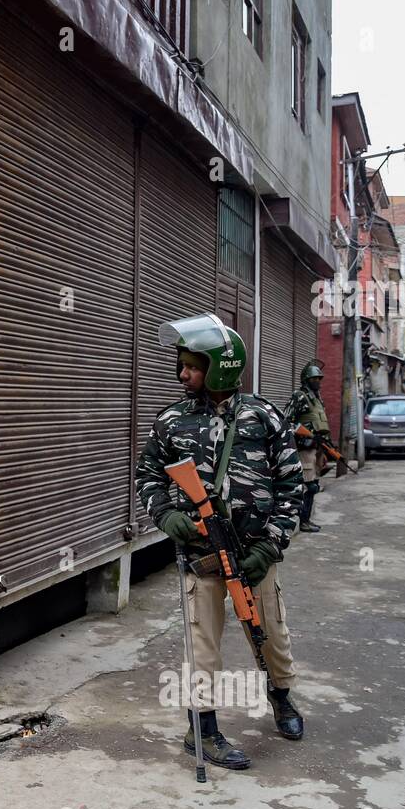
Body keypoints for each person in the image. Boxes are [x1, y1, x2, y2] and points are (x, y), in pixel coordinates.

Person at [136, 313, 306, 771]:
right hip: (201, 555)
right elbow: (147, 476)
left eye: (192, 365)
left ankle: (282, 698)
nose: (182, 373)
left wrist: (270, 545)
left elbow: (293, 486)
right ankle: (203, 730)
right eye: (182, 364)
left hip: (256, 551)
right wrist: (166, 514)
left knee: (269, 634)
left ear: (219, 367)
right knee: (201, 645)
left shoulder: (263, 415)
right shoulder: (170, 420)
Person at [285, 361, 330, 532]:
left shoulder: (317, 398)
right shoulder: (300, 396)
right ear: (306, 379)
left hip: (316, 448)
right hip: (304, 448)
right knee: (308, 486)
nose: (318, 381)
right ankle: (302, 522)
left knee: (314, 486)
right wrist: (304, 436)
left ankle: (307, 519)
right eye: (314, 378)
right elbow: (287, 421)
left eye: (319, 378)